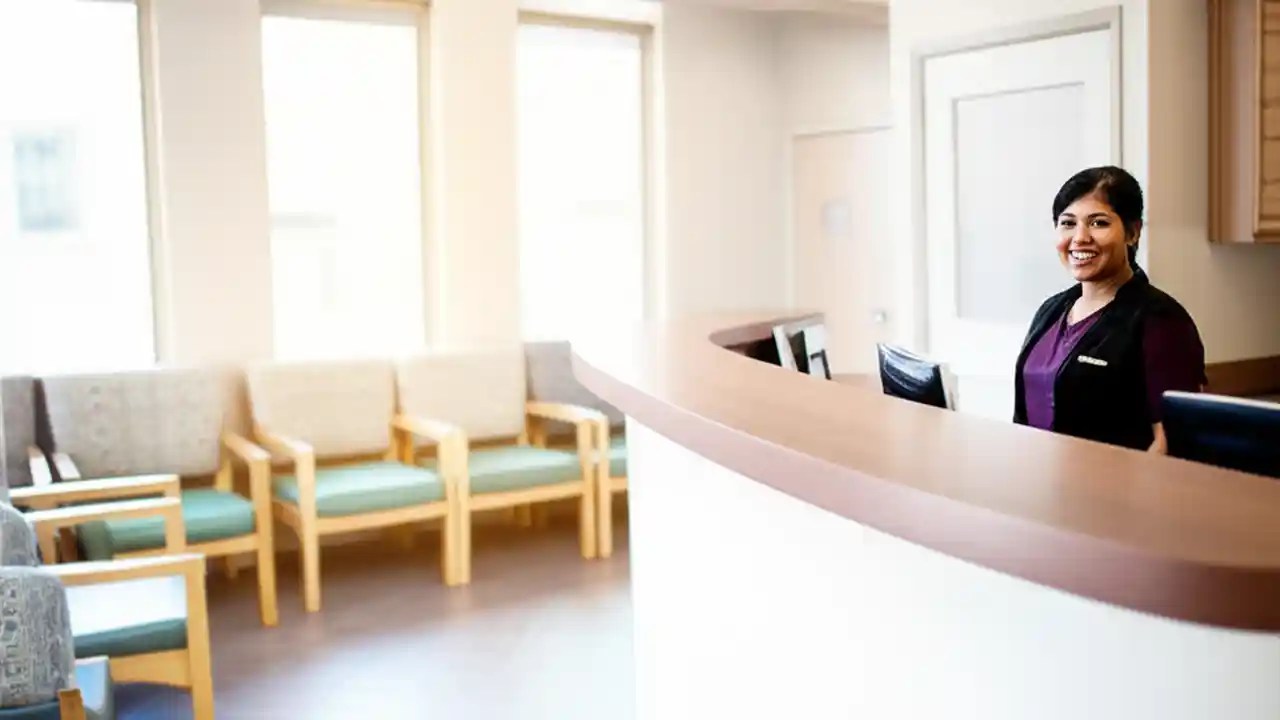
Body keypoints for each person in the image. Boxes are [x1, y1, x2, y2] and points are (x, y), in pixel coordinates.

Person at [1013, 166, 1205, 452]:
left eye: (1098, 223)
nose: (1080, 238)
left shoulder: (1160, 320)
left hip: (1116, 493)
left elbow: (1170, 438)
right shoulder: (1051, 311)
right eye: (1067, 223)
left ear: (1132, 232)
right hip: (1039, 486)